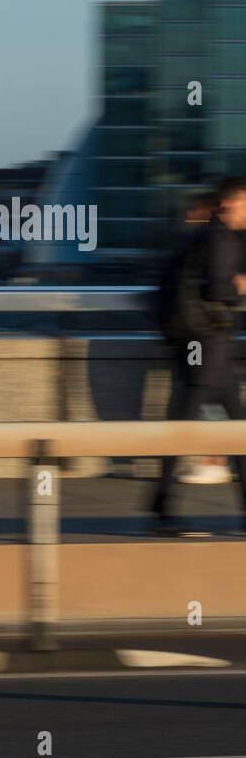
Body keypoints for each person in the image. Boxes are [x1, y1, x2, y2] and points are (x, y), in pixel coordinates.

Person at [150, 177, 246, 536]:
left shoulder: (206, 237)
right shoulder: (219, 238)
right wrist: (241, 284)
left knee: (223, 430)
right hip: (205, 348)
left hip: (203, 348)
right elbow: (219, 288)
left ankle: (162, 508)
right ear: (231, 204)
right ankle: (161, 510)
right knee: (186, 428)